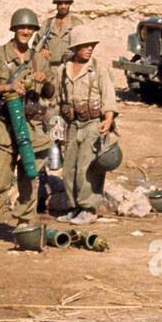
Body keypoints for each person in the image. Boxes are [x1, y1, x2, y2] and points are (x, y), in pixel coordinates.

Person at [0, 8, 56, 250]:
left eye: (30, 29)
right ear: (14, 29)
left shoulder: (39, 59)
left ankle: (25, 227)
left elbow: (50, 93)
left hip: (32, 127)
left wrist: (45, 80)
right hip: (2, 126)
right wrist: (7, 87)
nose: (26, 31)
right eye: (21, 28)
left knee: (30, 180)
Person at [55, 26, 117, 225]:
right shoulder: (62, 71)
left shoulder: (98, 69)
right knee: (69, 169)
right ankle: (74, 207)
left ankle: (89, 209)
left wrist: (108, 120)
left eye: (92, 45)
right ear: (75, 47)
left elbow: (108, 97)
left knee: (87, 169)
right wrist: (56, 123)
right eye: (85, 45)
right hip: (72, 124)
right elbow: (58, 99)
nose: (90, 48)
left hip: (93, 124)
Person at [39, 0, 82, 71]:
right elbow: (35, 47)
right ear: (56, 4)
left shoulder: (77, 24)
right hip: (48, 70)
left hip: (70, 69)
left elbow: (84, 48)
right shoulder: (47, 24)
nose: (63, 6)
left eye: (66, 3)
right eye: (60, 3)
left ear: (70, 4)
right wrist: (42, 50)